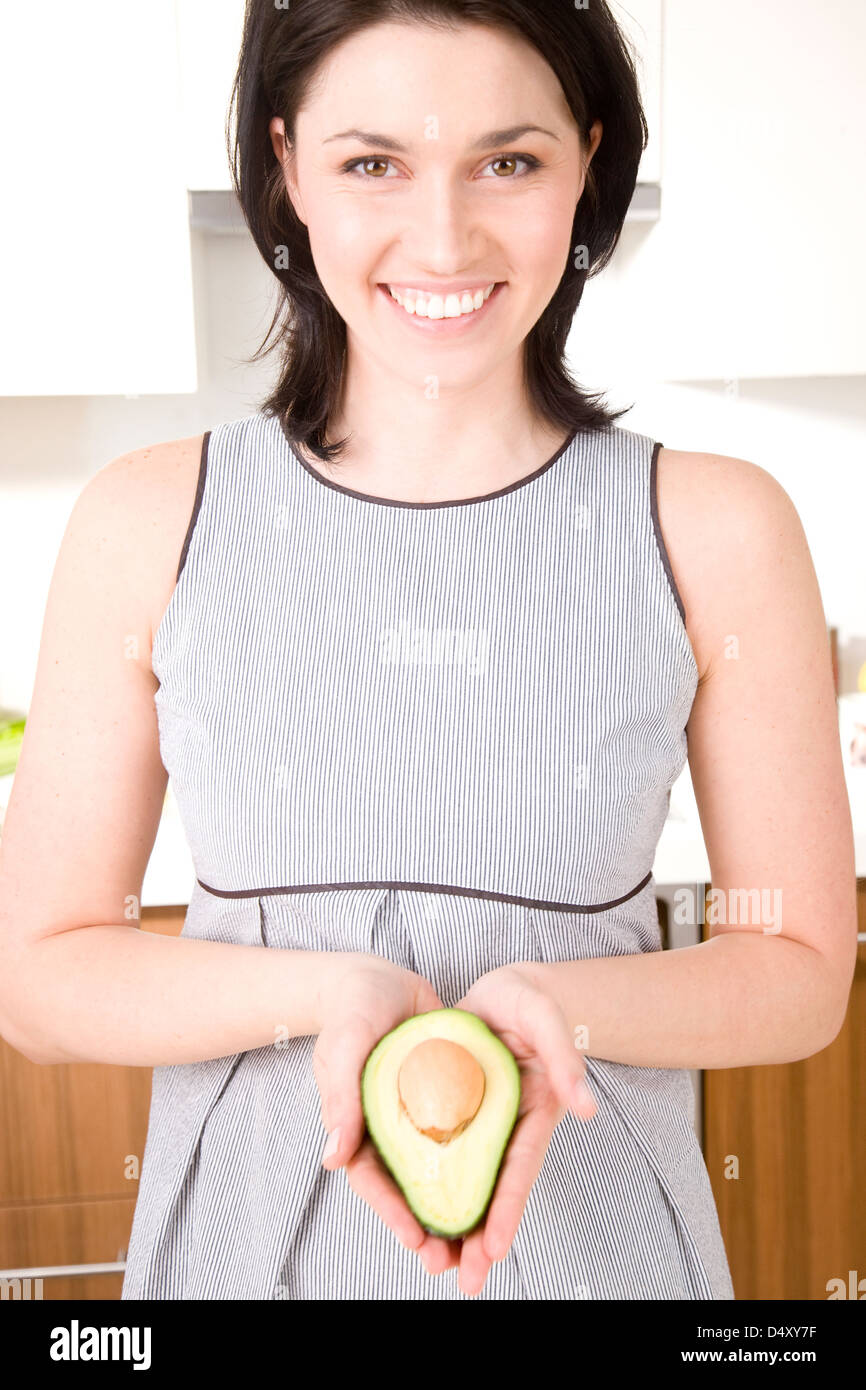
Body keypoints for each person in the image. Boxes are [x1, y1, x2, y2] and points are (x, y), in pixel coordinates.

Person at [0, 0, 855, 1301]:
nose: (443, 235)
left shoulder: (715, 524)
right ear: (286, 168)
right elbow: (39, 973)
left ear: (587, 159)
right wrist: (331, 991)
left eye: (506, 161)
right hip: (243, 1259)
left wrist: (550, 1005)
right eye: (370, 162)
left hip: (600, 1250)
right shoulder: (147, 518)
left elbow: (797, 973)